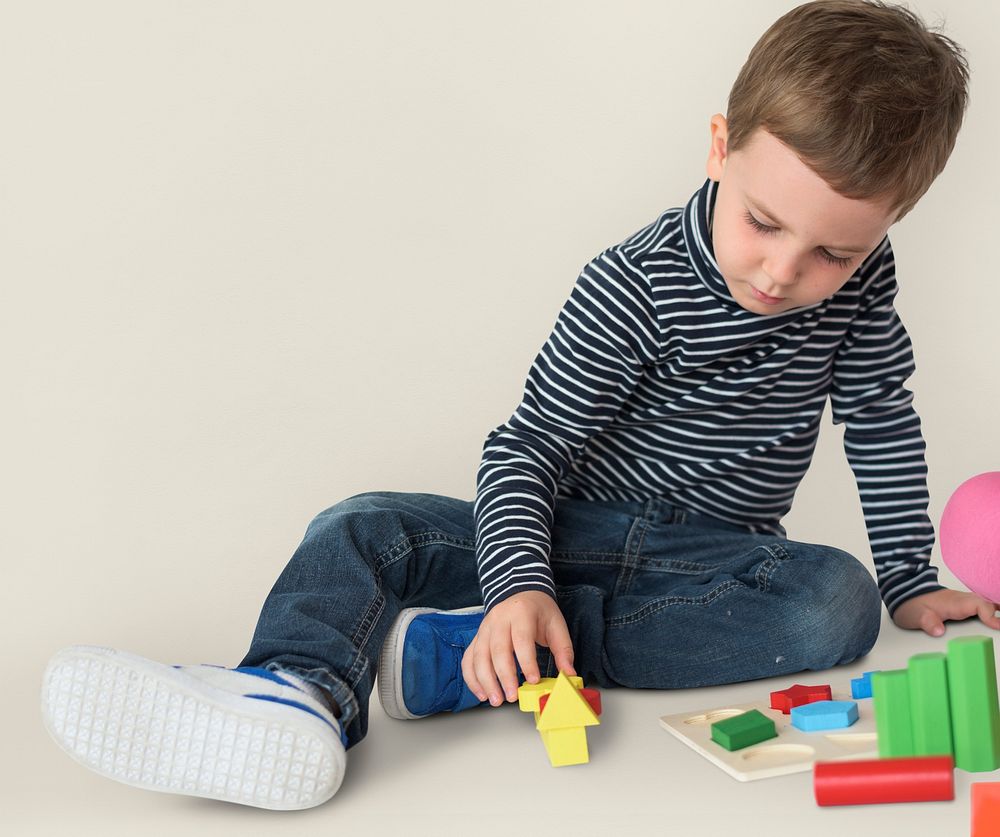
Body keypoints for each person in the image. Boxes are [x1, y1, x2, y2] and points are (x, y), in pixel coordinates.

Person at [41, 0, 998, 813]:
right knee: (363, 525)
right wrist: (516, 584)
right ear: (719, 148)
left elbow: (880, 414)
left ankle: (475, 654)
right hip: (572, 533)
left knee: (835, 600)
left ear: (886, 228)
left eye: (834, 253)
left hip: (709, 566)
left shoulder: (865, 287)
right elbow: (526, 451)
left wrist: (908, 577)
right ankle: (295, 687)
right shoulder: (634, 284)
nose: (784, 273)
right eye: (763, 222)